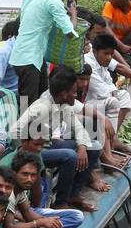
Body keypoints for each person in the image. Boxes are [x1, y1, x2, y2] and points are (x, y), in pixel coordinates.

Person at [14, 67, 99, 212]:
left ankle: (73, 194)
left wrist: (83, 146)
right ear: (64, 94)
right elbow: (15, 130)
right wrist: (25, 151)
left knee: (94, 146)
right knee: (70, 156)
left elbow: (78, 128)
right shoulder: (41, 107)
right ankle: (60, 202)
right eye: (74, 91)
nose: (76, 94)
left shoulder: (63, 104)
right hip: (34, 151)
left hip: (48, 145)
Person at [11, 0, 78, 104]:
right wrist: (73, 13)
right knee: (28, 106)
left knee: (43, 99)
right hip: (28, 59)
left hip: (27, 55)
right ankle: (26, 126)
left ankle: (41, 126)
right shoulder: (53, 0)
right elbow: (70, 32)